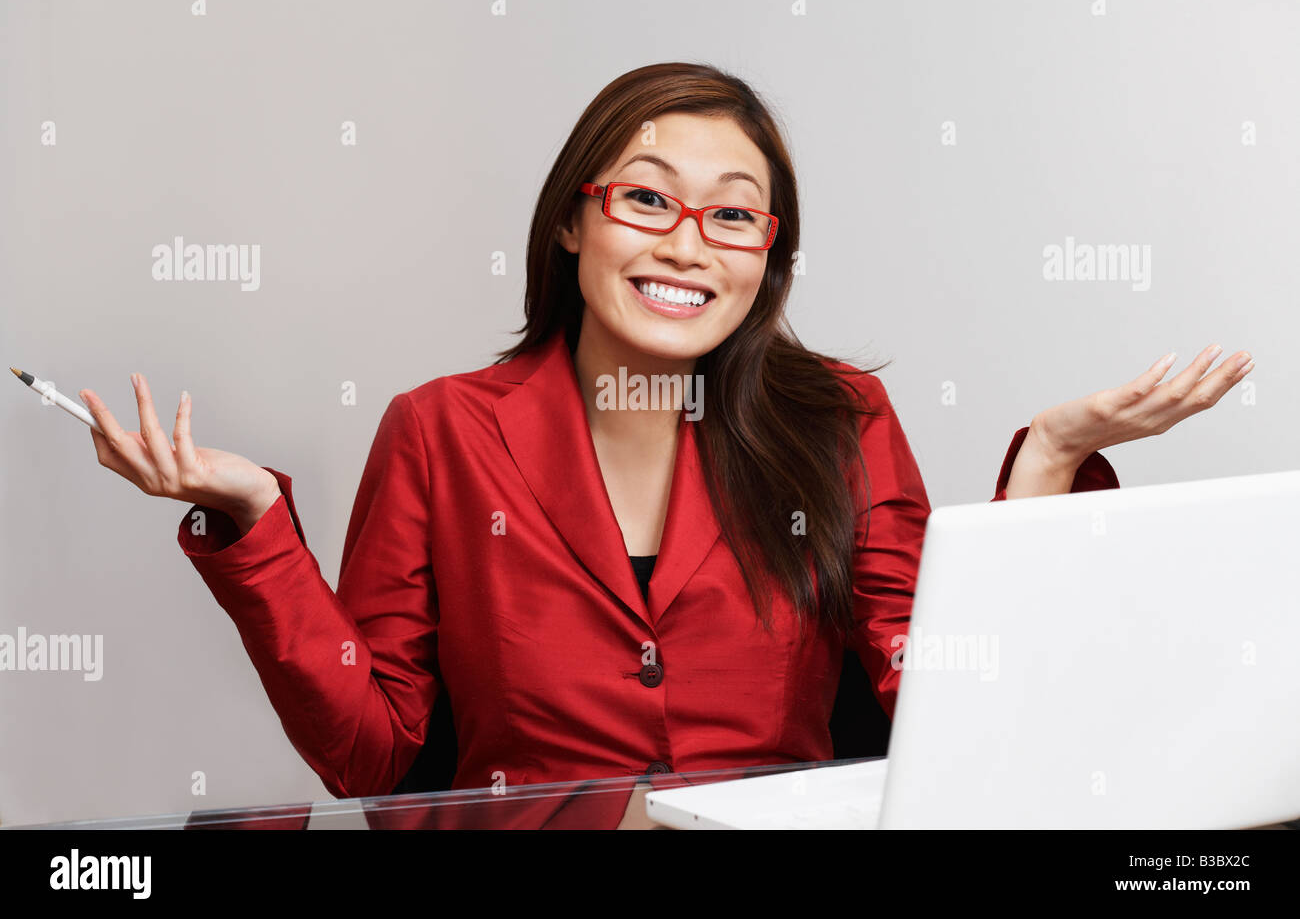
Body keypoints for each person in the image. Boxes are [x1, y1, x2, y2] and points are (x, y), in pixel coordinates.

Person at [78, 62, 1252, 829]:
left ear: (767, 256)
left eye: (733, 213)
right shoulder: (440, 428)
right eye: (648, 198)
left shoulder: (837, 418)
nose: (690, 242)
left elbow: (939, 701)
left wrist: (1045, 458)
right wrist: (254, 526)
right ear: (572, 220)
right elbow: (371, 757)